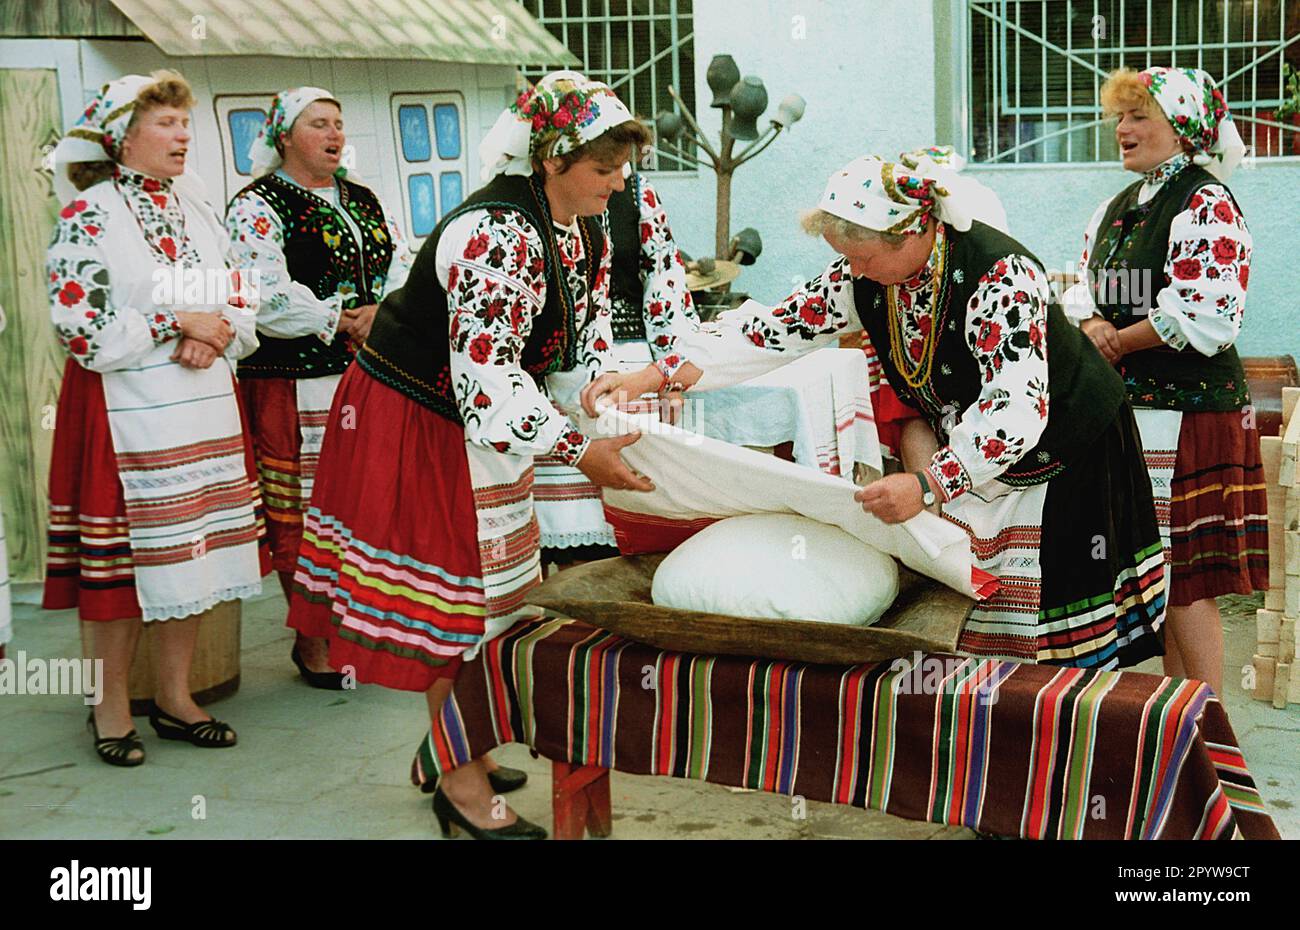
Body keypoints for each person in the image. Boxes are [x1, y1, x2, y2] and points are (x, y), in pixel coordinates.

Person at [585, 150, 1167, 670]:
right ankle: (997, 738)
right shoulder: (863, 274)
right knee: (990, 608)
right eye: (846, 258)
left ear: (912, 233)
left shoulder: (999, 275)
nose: (853, 271)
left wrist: (929, 482)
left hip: (1068, 447)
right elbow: (771, 331)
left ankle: (1066, 742)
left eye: (861, 257)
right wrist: (655, 372)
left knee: (1052, 623)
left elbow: (1014, 412)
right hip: (984, 452)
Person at [287, 71, 655, 838]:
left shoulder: (578, 223)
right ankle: (457, 785)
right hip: (415, 413)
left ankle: (460, 746)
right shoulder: (494, 232)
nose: (620, 183)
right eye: (604, 168)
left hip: (470, 420)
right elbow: (487, 382)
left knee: (495, 595)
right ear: (551, 160)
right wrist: (579, 453)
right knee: (452, 602)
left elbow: (564, 339)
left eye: (625, 167)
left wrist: (596, 394)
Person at [44, 71, 268, 765]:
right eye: (165, 124)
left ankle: (174, 696)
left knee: (195, 557)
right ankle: (109, 710)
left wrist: (220, 329)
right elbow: (81, 331)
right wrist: (177, 320)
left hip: (202, 412)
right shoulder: (89, 214)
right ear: (122, 137)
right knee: (119, 571)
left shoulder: (198, 208)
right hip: (125, 416)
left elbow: (242, 294)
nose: (182, 135)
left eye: (183, 123)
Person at [1062, 67, 1264, 695]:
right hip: (1132, 412)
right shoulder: (1117, 208)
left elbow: (1207, 311)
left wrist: (1118, 340)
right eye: (1118, 116)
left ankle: (1207, 722)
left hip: (1192, 413)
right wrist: (1094, 319)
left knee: (1185, 581)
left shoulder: (1206, 202)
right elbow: (1081, 286)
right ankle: (1178, 715)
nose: (1121, 129)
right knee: (1158, 575)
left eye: (1138, 116)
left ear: (1182, 130)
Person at [226, 87, 412, 688]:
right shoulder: (257, 205)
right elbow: (261, 292)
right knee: (305, 510)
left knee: (365, 503)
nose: (334, 134)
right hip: (294, 381)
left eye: (338, 123)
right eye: (318, 125)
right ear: (283, 136)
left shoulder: (361, 198)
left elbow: (403, 260)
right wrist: (340, 318)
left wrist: (382, 310)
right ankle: (312, 640)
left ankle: (362, 625)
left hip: (365, 374)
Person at [534, 165, 698, 566]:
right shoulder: (534, 196)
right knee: (569, 532)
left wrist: (671, 373)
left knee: (639, 521)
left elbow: (665, 281)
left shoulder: (638, 193)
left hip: (631, 360)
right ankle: (576, 604)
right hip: (554, 369)